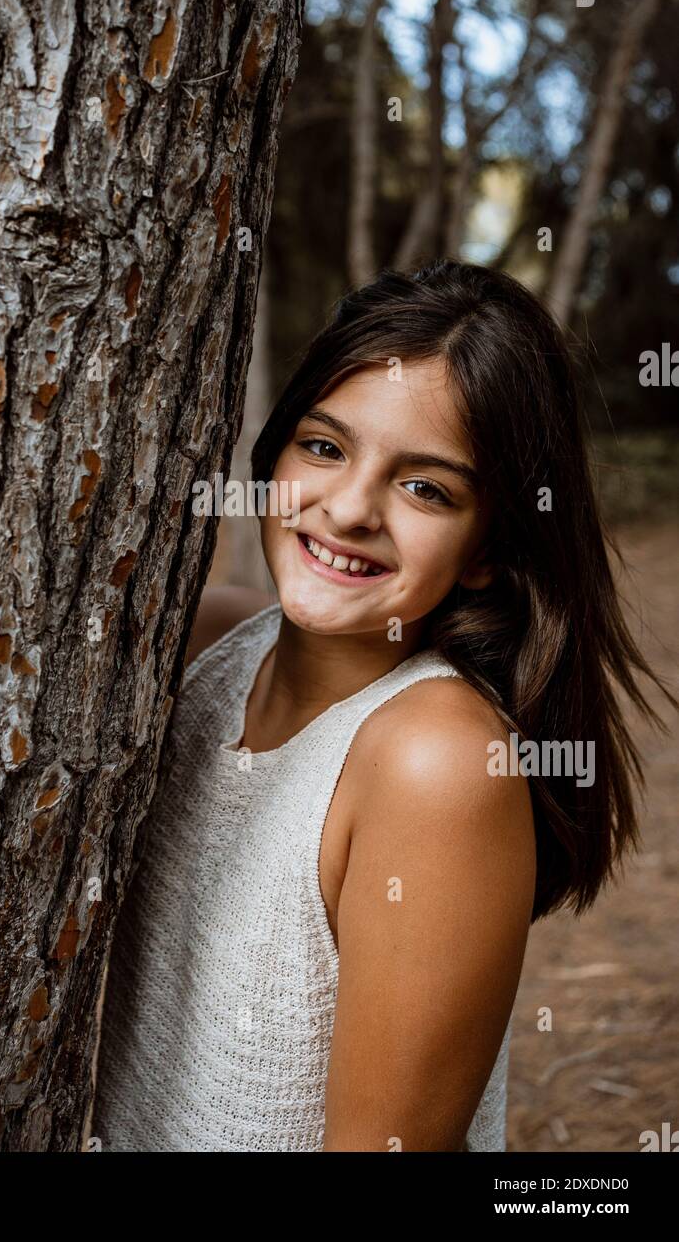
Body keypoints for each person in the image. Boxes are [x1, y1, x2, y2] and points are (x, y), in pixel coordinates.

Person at [90, 259, 671, 1152]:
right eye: (323, 446)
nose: (349, 508)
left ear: (487, 549)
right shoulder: (209, 651)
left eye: (425, 488)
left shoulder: (434, 765)